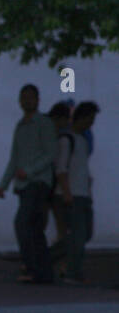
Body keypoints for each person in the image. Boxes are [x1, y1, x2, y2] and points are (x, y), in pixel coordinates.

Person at [0, 84, 57, 283]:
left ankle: (34, 267)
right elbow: (14, 158)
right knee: (34, 228)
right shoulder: (20, 125)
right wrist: (3, 183)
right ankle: (42, 272)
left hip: (38, 183)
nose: (26, 101)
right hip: (23, 185)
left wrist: (29, 171)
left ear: (38, 100)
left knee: (24, 223)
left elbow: (50, 153)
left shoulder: (44, 123)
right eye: (23, 98)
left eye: (30, 98)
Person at [56, 101, 98, 283]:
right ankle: (73, 272)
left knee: (84, 234)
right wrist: (66, 193)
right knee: (78, 236)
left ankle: (45, 257)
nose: (91, 124)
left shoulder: (82, 140)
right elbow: (61, 169)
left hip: (83, 194)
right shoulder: (67, 139)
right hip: (72, 194)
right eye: (90, 119)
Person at [46, 101, 74, 263]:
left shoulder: (56, 137)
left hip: (51, 187)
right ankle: (56, 260)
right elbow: (61, 168)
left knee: (62, 229)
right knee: (64, 230)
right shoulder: (62, 139)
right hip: (56, 188)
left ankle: (55, 260)